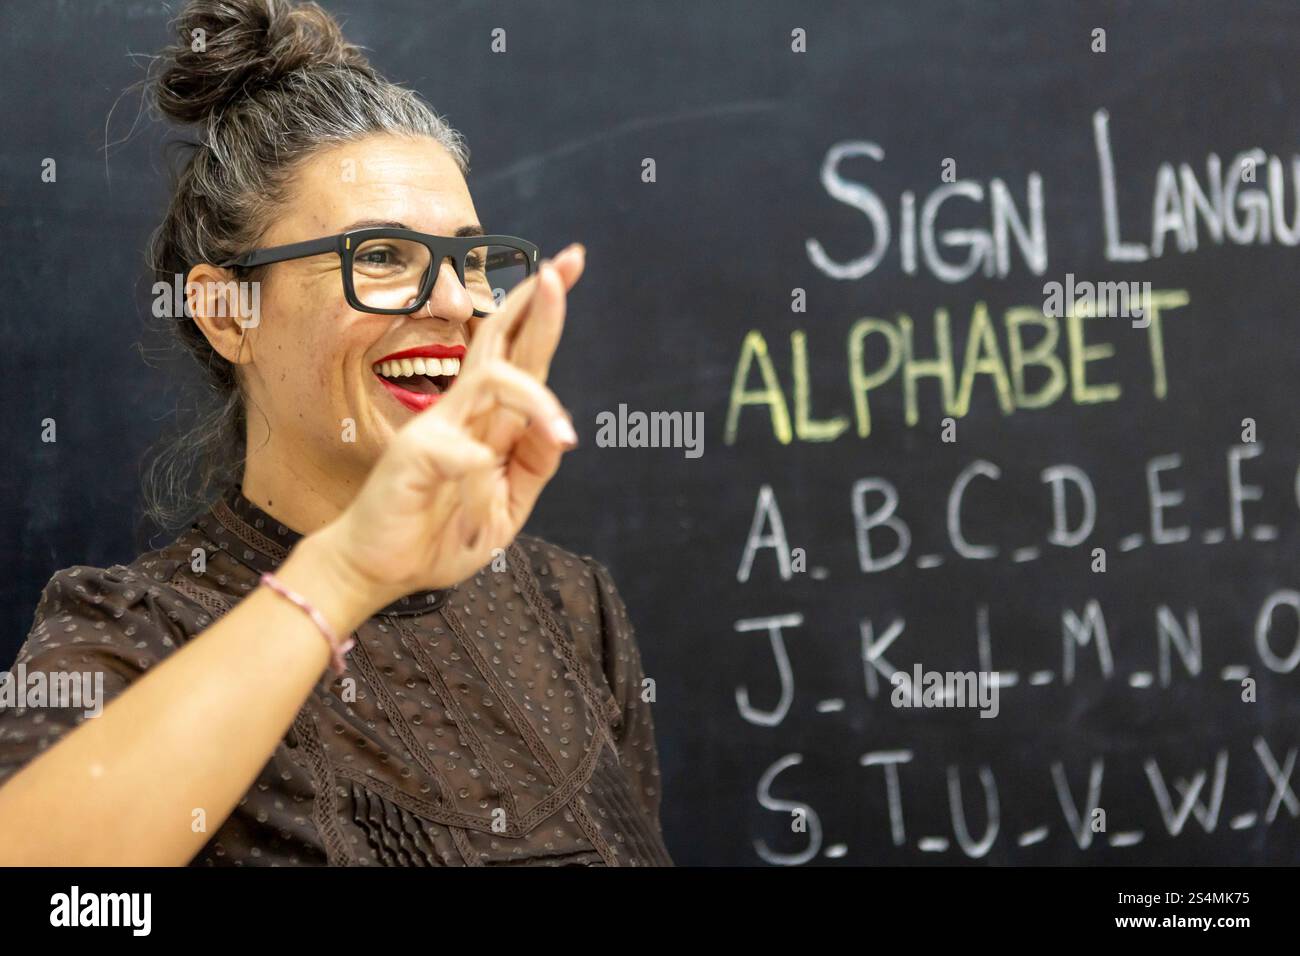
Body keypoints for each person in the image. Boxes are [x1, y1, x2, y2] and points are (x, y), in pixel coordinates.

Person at [0, 0, 672, 867]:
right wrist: (347, 569)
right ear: (226, 311)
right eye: (381, 257)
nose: (452, 303)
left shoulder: (571, 605)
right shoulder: (136, 630)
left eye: (469, 261)